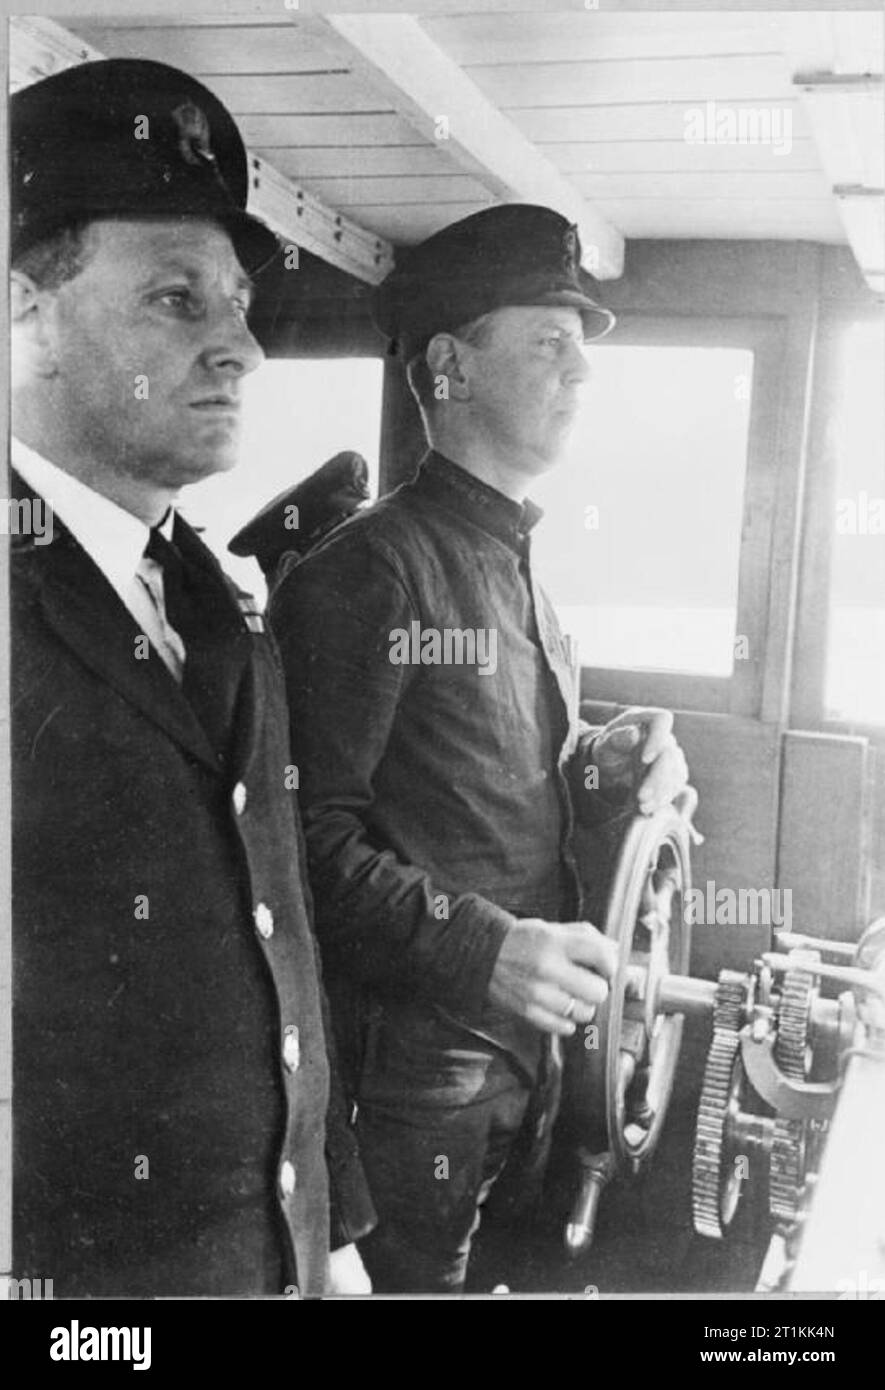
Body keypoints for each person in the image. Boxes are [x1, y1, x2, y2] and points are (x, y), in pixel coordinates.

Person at [269, 203, 689, 1293]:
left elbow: (498, 785)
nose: (580, 373)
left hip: (526, 1069)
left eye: (581, 348)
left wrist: (612, 768)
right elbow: (298, 844)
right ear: (451, 366)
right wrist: (483, 949)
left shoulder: (523, 573)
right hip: (411, 1092)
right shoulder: (366, 575)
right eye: (549, 342)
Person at [9, 57, 373, 1297]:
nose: (241, 348)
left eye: (238, 302)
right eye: (177, 300)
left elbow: (281, 937)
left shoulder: (221, 602)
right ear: (26, 311)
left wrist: (334, 1230)